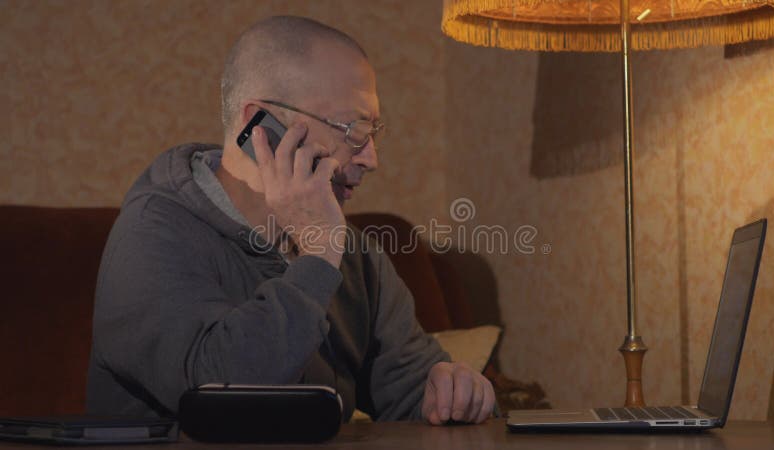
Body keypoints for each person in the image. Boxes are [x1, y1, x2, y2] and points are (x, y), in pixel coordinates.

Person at [86, 15, 495, 425]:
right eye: (352, 129)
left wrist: (451, 392)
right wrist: (317, 258)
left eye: (374, 131)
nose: (372, 158)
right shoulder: (151, 236)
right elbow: (224, 398)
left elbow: (409, 389)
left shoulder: (350, 252)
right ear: (259, 127)